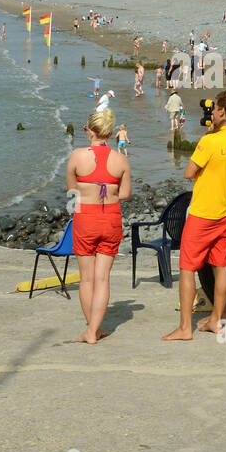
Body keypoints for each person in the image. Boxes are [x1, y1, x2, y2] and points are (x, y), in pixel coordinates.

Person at [163, 90, 226, 341]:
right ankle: (216, 320)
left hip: (202, 213)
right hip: (225, 213)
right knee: (222, 267)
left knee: (188, 268)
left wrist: (209, 137)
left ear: (222, 111)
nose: (211, 112)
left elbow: (189, 172)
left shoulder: (210, 141)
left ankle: (185, 328)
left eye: (215, 109)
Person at [65, 110, 132, 343]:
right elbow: (125, 193)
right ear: (110, 133)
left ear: (90, 131)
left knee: (86, 278)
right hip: (111, 217)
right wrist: (107, 190)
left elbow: (71, 192)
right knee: (102, 278)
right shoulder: (121, 160)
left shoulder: (77, 156)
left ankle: (91, 331)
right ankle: (95, 329)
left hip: (86, 218)